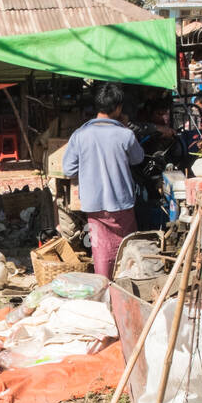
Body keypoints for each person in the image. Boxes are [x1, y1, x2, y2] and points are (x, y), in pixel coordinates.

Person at [62, 82, 144, 280]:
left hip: (94, 206)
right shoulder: (126, 135)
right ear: (118, 108)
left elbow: (68, 169)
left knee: (101, 251)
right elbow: (138, 158)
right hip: (122, 204)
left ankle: (104, 289)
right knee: (128, 247)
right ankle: (128, 287)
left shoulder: (80, 135)